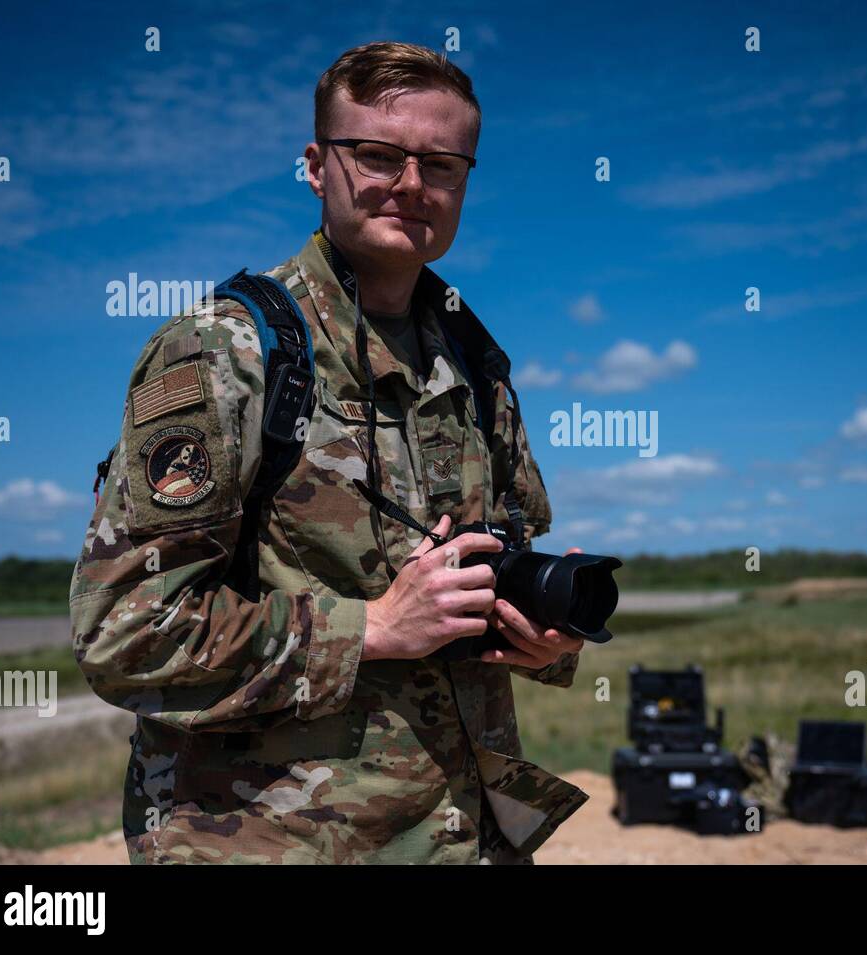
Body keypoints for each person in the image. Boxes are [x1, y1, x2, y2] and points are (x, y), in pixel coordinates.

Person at [69, 40, 588, 864]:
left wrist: (539, 637)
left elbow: (491, 581)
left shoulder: (474, 363)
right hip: (269, 843)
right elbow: (124, 634)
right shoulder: (228, 352)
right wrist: (372, 629)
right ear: (316, 166)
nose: (412, 185)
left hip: (458, 837)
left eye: (442, 164)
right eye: (378, 155)